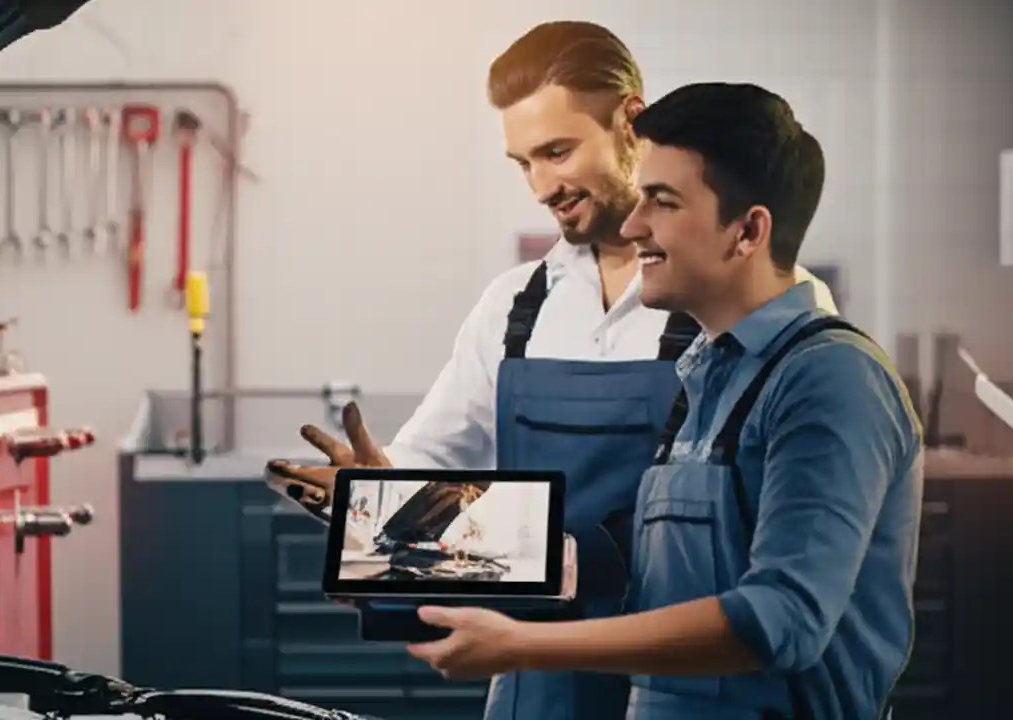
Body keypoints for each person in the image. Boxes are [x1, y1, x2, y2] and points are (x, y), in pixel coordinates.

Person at [268, 22, 839, 720]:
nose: (542, 186)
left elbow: (767, 566)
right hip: (531, 680)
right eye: (522, 163)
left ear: (631, 120)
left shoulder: (748, 297)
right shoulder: (514, 306)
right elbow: (436, 466)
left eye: (557, 152)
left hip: (684, 682)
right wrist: (376, 507)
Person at [404, 82, 925, 720]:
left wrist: (526, 644)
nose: (632, 224)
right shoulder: (705, 377)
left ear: (748, 231)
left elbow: (780, 619)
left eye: (663, 201)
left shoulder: (831, 378)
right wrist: (404, 558)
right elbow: (633, 576)